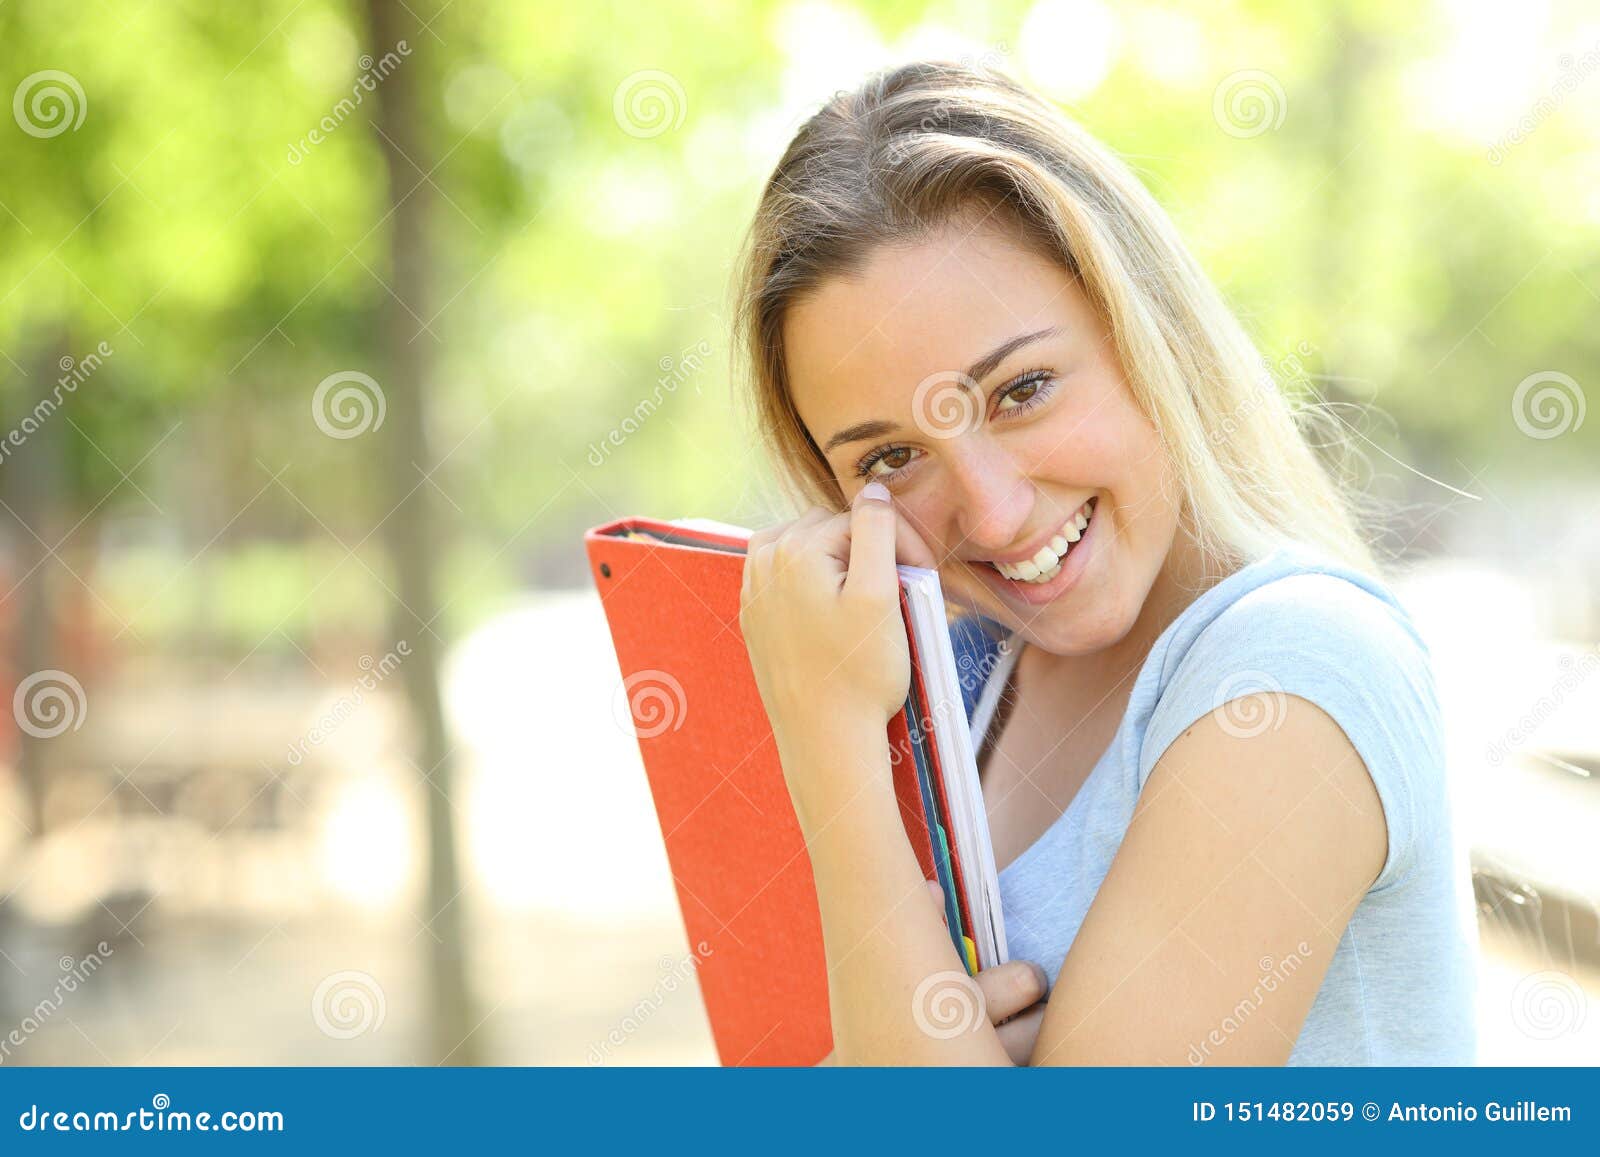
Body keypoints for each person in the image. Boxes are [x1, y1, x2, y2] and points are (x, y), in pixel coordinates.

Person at [733, 61, 1477, 1065]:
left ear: (1145, 330)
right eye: (892, 457)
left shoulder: (1297, 669)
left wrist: (825, 746)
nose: (991, 513)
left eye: (1022, 387)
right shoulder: (961, 677)